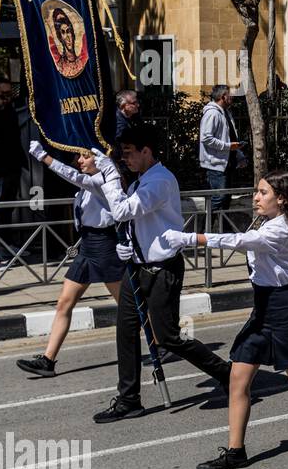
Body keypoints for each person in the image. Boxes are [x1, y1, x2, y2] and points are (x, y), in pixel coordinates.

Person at [161, 171, 288, 469]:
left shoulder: (276, 230)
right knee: (237, 379)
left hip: (284, 310)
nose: (255, 198)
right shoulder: (280, 223)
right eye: (256, 192)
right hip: (262, 310)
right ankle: (236, 451)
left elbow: (239, 240)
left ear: (280, 198)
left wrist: (190, 238)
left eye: (262, 193)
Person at [91, 125, 233, 422]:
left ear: (147, 151)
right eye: (122, 154)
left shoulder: (159, 181)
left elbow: (122, 211)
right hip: (138, 268)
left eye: (129, 153)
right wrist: (128, 245)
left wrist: (112, 176)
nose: (124, 159)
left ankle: (227, 374)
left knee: (167, 337)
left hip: (163, 270)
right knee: (125, 331)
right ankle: (129, 398)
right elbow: (132, 222)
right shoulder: (141, 180)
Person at [16, 142, 125, 378]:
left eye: (85, 157)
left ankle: (161, 342)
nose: (79, 161)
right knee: (64, 302)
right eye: (79, 157)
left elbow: (71, 175)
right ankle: (48, 360)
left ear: (100, 159)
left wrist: (44, 157)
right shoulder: (88, 184)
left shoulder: (103, 183)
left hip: (105, 247)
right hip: (87, 246)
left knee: (128, 305)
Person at [0, 78, 24, 268]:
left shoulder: (6, 112)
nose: (6, 99)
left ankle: (4, 245)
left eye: (10, 94)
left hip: (10, 167)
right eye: (2, 95)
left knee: (5, 210)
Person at [198, 84, 245, 221]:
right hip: (216, 165)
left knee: (225, 200)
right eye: (230, 95)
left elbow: (230, 136)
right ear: (224, 97)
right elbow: (206, 138)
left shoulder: (226, 113)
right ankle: (205, 232)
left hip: (226, 163)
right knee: (219, 199)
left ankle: (224, 233)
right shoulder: (212, 113)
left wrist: (239, 154)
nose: (233, 97)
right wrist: (228, 147)